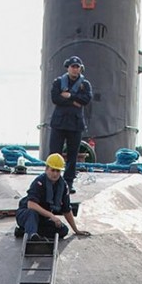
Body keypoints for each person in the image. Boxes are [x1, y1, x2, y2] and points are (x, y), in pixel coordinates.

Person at [15, 153, 88, 241]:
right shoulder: (39, 182)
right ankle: (32, 236)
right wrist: (51, 216)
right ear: (46, 169)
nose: (55, 174)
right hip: (26, 214)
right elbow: (31, 205)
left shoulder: (63, 186)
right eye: (53, 170)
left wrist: (76, 230)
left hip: (42, 218)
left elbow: (66, 209)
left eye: (58, 171)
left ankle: (25, 231)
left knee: (63, 230)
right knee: (32, 213)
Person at [49, 57, 92, 193]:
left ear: (80, 68)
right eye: (73, 67)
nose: (75, 69)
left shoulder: (85, 84)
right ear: (68, 68)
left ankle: (68, 183)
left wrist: (69, 96)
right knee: (54, 154)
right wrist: (74, 102)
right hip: (59, 123)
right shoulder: (58, 82)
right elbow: (55, 98)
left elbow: (86, 99)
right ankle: (51, 182)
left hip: (75, 124)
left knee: (72, 156)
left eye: (77, 67)